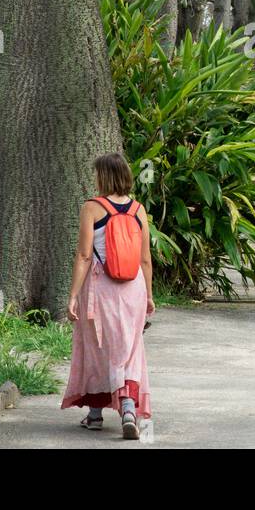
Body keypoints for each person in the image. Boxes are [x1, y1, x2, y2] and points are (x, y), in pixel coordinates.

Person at [62, 153, 153, 439]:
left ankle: (110, 411)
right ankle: (113, 410)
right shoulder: (139, 210)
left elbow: (84, 254)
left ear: (103, 177)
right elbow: (146, 259)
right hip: (134, 288)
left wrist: (73, 295)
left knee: (98, 346)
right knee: (128, 347)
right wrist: (149, 295)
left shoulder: (92, 207)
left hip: (102, 288)